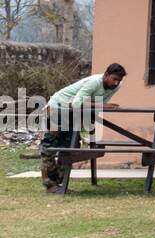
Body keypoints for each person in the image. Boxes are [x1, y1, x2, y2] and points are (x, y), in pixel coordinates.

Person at [40, 64, 127, 193]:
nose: (116, 82)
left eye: (119, 80)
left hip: (73, 112)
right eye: (114, 79)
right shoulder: (93, 82)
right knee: (50, 145)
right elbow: (77, 103)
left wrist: (93, 114)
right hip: (57, 108)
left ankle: (58, 183)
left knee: (71, 146)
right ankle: (49, 184)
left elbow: (98, 104)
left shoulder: (116, 86)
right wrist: (103, 105)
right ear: (106, 74)